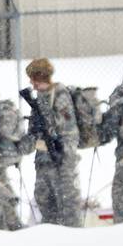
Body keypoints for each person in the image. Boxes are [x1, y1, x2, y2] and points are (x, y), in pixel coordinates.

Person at [22, 58, 82, 227]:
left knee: (67, 205)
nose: (31, 82)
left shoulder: (60, 95)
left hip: (61, 161)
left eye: (32, 78)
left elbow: (69, 131)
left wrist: (57, 147)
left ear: (39, 77)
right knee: (44, 201)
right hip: (43, 162)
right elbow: (34, 130)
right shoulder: (39, 98)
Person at [99, 70, 123, 223]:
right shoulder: (122, 97)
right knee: (122, 207)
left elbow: (106, 132)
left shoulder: (121, 97)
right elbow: (107, 131)